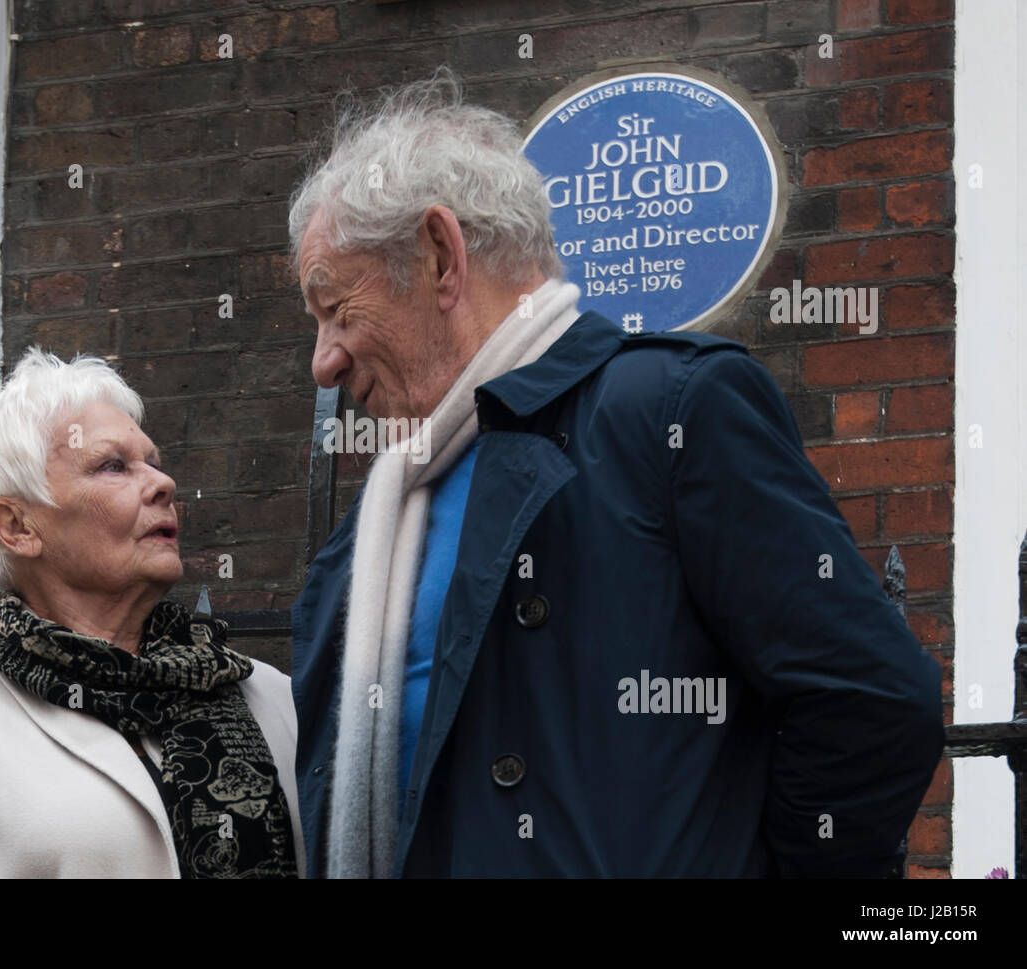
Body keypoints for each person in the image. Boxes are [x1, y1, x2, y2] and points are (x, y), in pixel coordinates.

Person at [287, 68, 944, 878]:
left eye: (336, 308)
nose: (323, 362)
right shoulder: (385, 514)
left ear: (440, 256)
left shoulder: (669, 409)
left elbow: (871, 704)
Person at [0, 349, 304, 878]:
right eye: (113, 466)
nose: (162, 483)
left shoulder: (269, 697)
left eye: (152, 461)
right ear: (17, 526)